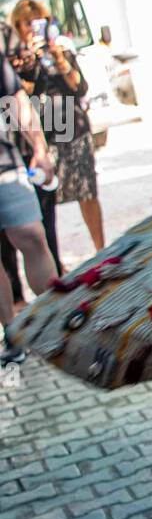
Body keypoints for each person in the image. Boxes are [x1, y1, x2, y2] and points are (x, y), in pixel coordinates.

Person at [8, 0, 104, 252]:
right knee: (45, 205)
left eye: (38, 22)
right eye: (26, 23)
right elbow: (19, 99)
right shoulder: (13, 60)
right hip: (42, 135)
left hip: (72, 127)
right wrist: (27, 63)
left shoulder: (61, 47)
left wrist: (59, 60)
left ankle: (101, 249)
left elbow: (81, 87)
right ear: (16, 26)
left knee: (87, 192)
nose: (32, 28)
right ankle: (54, 263)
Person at [0, 44, 57, 356]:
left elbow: (16, 101)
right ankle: (12, 332)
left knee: (32, 236)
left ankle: (54, 318)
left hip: (5, 165)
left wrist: (40, 147)